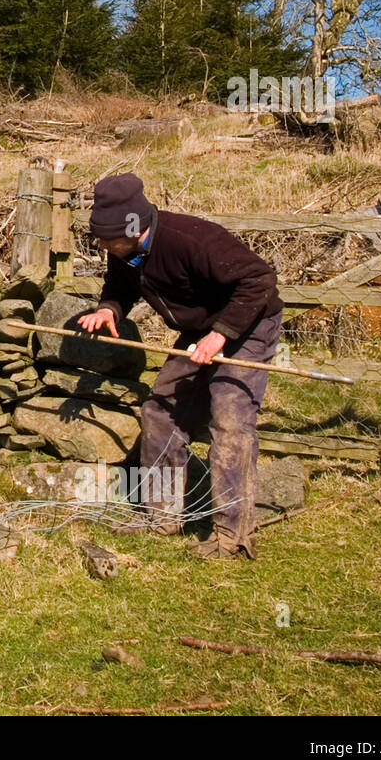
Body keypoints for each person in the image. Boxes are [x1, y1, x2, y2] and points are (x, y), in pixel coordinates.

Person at [78, 173, 283, 559]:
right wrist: (110, 308)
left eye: (109, 240)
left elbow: (260, 279)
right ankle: (162, 517)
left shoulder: (191, 239)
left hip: (248, 323)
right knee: (159, 412)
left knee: (230, 416)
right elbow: (120, 284)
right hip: (200, 329)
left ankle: (232, 537)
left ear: (135, 228)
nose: (104, 246)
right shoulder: (125, 248)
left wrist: (221, 335)